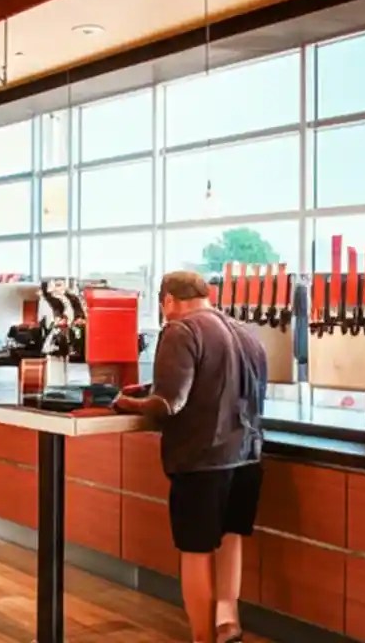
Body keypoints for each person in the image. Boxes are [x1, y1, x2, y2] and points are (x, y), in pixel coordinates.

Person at [113, 270, 267, 643]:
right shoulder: (247, 333)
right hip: (248, 455)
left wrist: (124, 402)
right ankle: (227, 622)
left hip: (203, 460)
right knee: (231, 537)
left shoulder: (181, 330)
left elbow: (169, 404)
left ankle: (201, 637)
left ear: (168, 300)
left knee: (197, 550)